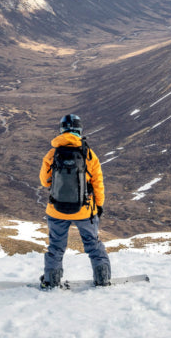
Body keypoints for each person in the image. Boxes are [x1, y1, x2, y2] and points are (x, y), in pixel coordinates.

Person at [39, 113, 111, 288]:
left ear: (62, 129)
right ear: (80, 130)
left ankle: (51, 281)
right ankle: (102, 278)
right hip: (85, 210)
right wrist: (99, 205)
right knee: (93, 245)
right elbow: (98, 184)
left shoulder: (53, 153)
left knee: (56, 247)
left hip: (56, 209)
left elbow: (44, 180)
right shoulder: (89, 154)